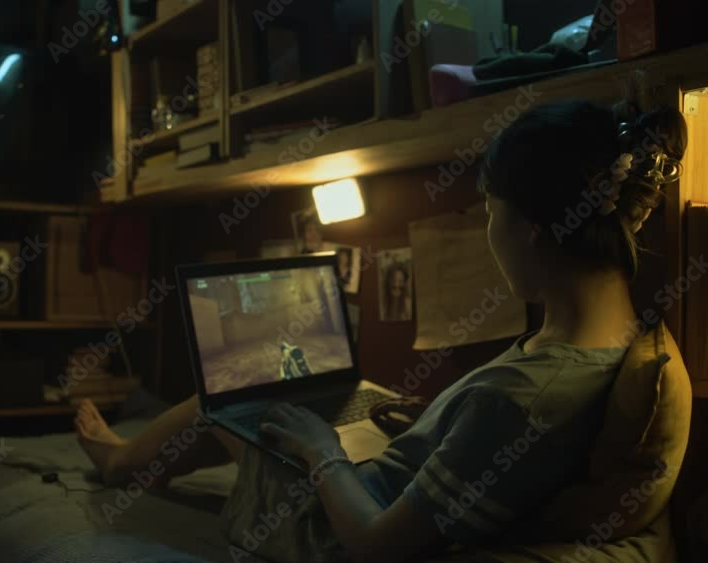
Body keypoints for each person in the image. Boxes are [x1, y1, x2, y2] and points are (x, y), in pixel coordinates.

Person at [75, 97, 687, 562]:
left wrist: (324, 453)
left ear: (527, 226)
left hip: (329, 525)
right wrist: (429, 422)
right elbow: (480, 447)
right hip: (370, 479)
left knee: (230, 404)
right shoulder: (611, 337)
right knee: (267, 405)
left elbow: (373, 545)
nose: (487, 231)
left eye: (490, 213)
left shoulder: (523, 398)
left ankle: (118, 461)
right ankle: (135, 455)